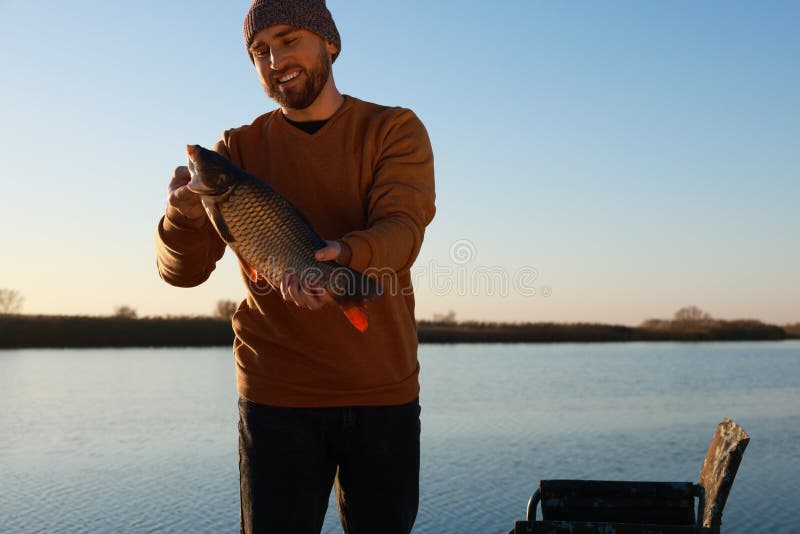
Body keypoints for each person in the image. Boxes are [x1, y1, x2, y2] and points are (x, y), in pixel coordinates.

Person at [154, 0, 436, 532]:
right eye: (259, 51)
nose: (274, 59)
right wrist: (181, 217)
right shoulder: (236, 150)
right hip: (274, 395)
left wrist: (340, 258)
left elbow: (404, 229)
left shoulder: (393, 129)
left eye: (289, 40)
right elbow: (182, 273)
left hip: (382, 391)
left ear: (329, 42)